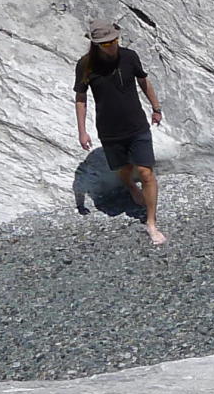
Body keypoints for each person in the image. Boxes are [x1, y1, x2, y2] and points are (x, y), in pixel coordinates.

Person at [72, 19, 168, 245]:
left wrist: (156, 108)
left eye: (114, 40)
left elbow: (144, 82)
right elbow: (81, 98)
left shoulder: (130, 57)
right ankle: (130, 187)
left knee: (146, 172)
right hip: (110, 130)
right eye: (106, 44)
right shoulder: (85, 65)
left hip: (137, 126)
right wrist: (82, 131)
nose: (112, 46)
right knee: (124, 169)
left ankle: (151, 223)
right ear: (96, 44)